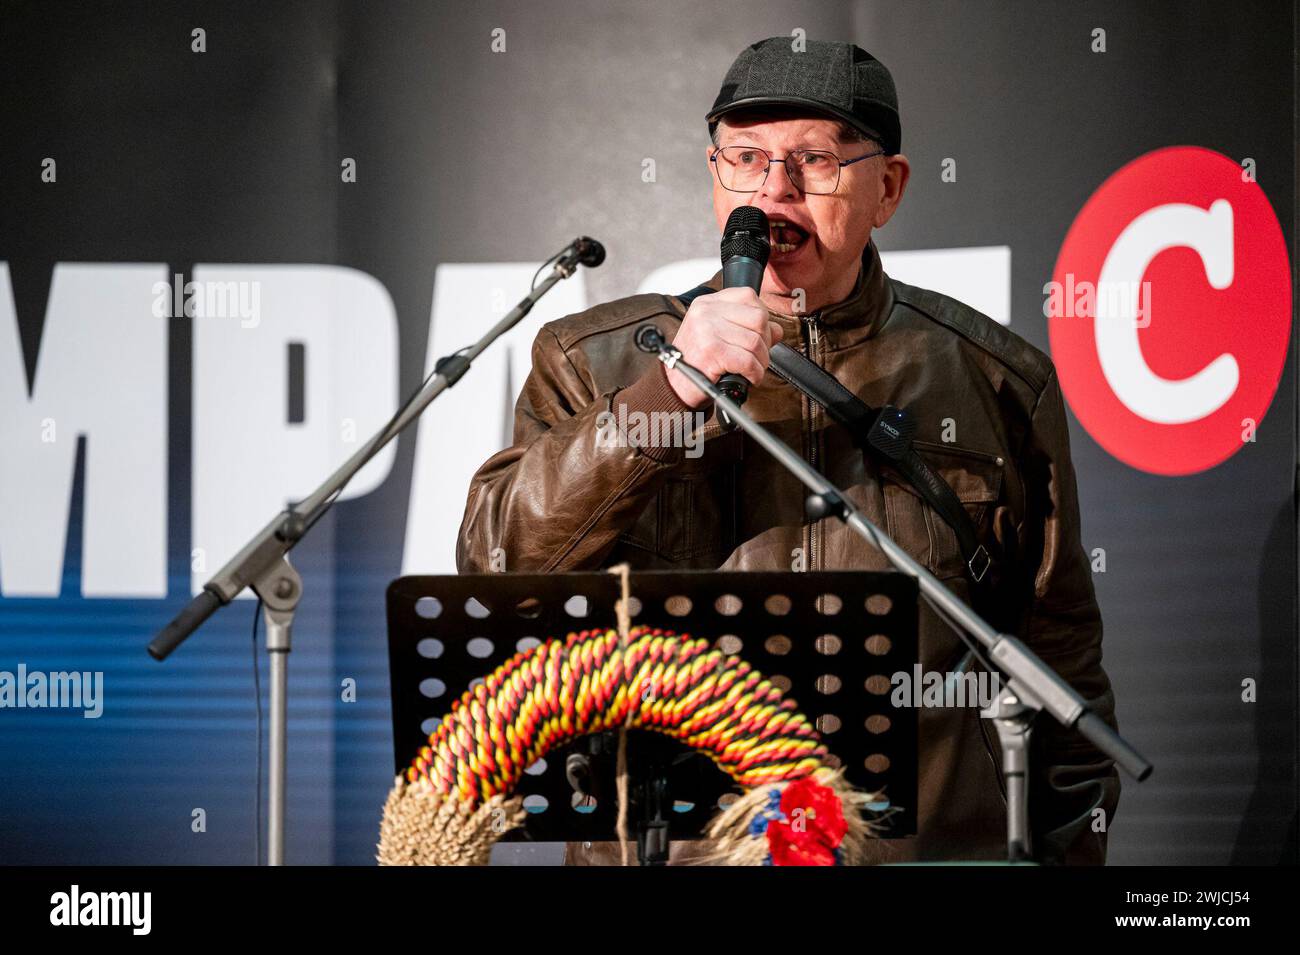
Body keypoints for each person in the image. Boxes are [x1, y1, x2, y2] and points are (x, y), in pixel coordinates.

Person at [457, 36, 1120, 865]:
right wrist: (664, 398)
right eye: (746, 158)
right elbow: (496, 565)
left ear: (890, 188)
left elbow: (1063, 670)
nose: (774, 191)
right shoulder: (594, 360)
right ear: (714, 175)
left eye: (815, 159)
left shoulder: (995, 382)